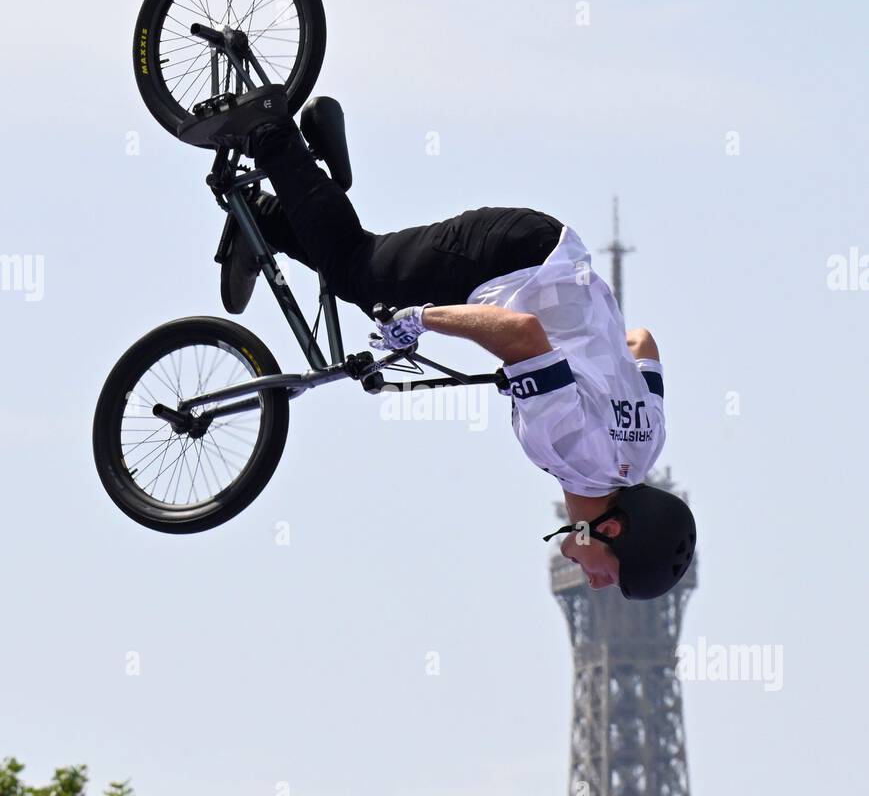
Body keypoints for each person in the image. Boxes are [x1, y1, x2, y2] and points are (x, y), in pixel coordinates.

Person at [208, 105, 695, 600]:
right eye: (609, 577)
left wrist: (578, 358)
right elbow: (522, 332)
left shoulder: (645, 445)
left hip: (550, 249)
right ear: (611, 531)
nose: (596, 584)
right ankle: (269, 133)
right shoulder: (568, 450)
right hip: (499, 261)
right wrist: (421, 318)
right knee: (359, 269)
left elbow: (639, 341)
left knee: (363, 280)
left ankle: (269, 219)